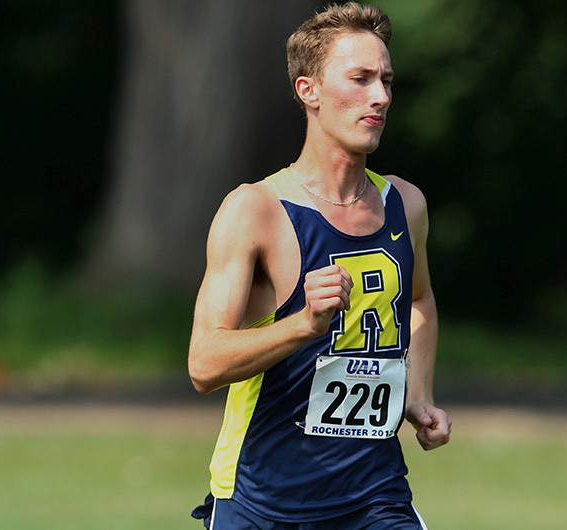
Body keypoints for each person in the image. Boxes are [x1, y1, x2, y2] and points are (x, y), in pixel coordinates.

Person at [188, 2, 450, 528]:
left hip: (376, 498)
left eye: (386, 80)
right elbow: (204, 363)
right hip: (262, 502)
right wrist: (303, 326)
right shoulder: (254, 211)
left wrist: (417, 394)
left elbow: (418, 299)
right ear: (308, 91)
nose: (380, 96)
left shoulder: (406, 204)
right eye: (360, 79)